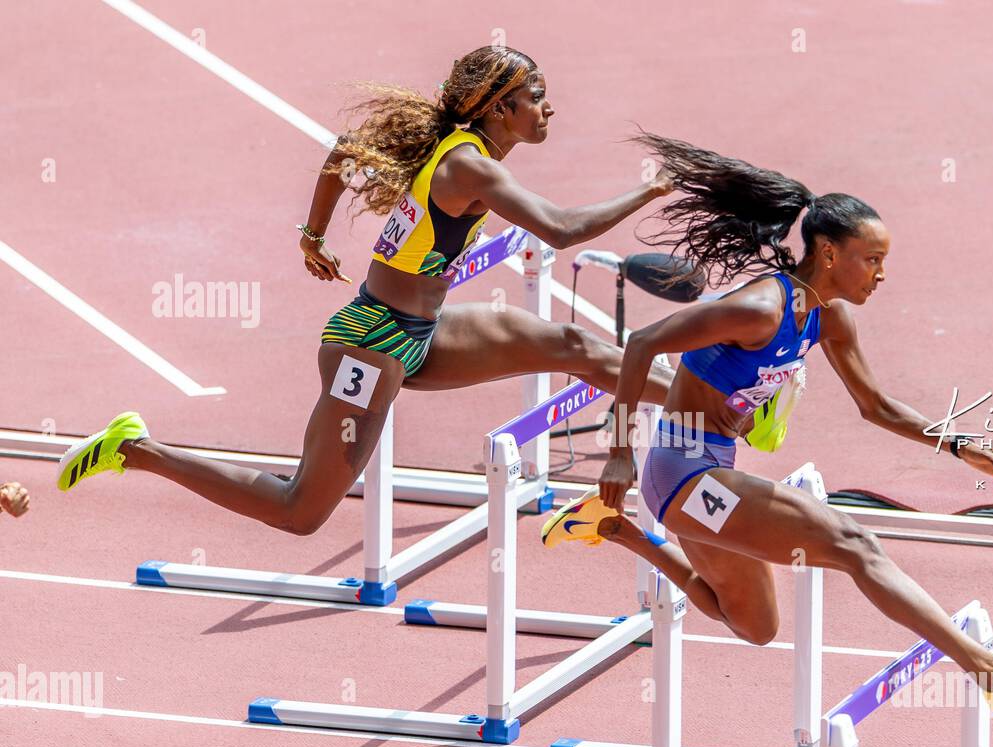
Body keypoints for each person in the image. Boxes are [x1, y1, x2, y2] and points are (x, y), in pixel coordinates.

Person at [542, 133, 993, 719]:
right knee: (855, 545)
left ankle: (617, 531)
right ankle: (992, 674)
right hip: (682, 472)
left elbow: (875, 405)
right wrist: (619, 453)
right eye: (871, 261)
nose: (881, 275)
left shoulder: (828, 319)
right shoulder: (759, 309)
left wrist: (958, 445)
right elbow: (643, 343)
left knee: (753, 625)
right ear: (828, 254)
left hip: (709, 474)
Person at [56, 46, 675, 535]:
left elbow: (343, 154)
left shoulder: (466, 152)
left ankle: (731, 408)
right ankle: (135, 448)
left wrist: (314, 236)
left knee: (572, 344)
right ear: (498, 109)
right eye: (536, 98)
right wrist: (646, 192)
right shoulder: (469, 166)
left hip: (418, 333)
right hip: (371, 345)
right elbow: (563, 229)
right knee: (300, 512)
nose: (549, 109)